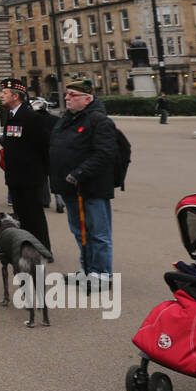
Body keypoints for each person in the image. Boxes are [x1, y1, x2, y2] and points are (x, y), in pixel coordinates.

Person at [50, 79, 118, 286]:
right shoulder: (67, 118)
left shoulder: (99, 120)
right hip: (71, 188)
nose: (67, 98)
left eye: (72, 95)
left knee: (97, 233)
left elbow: (105, 153)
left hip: (91, 188)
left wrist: (79, 173)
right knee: (80, 232)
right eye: (67, 94)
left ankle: (103, 275)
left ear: (87, 99)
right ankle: (87, 270)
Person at [0, 77, 52, 249]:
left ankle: (43, 248)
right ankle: (27, 245)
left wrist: (42, 172)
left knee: (34, 215)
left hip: (30, 177)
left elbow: (43, 146)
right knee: (21, 215)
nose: (1, 96)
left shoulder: (31, 117)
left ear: (16, 96)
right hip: (15, 177)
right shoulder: (11, 115)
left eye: (5, 93)